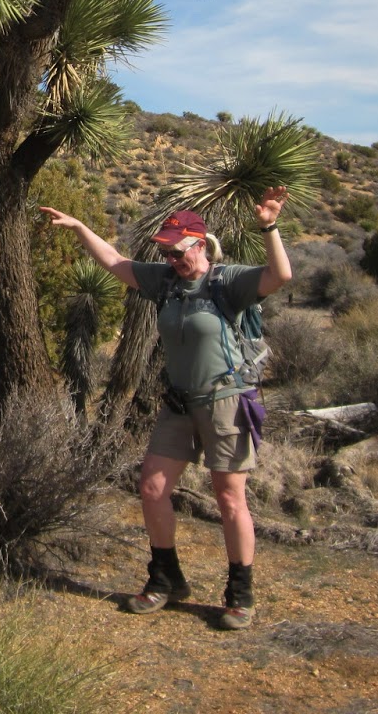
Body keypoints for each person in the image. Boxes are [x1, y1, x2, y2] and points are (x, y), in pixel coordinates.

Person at [40, 187, 291, 629]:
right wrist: (81, 228)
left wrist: (269, 225)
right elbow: (117, 264)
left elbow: (281, 276)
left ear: (199, 243)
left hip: (225, 402)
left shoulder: (227, 281)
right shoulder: (167, 282)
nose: (172, 260)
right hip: (178, 402)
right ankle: (166, 577)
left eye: (178, 251)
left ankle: (240, 592)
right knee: (152, 487)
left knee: (230, 498)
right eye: (166, 253)